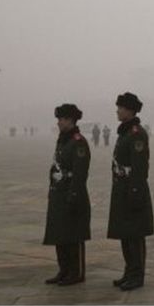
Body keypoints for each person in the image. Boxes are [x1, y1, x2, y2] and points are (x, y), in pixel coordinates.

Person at [108, 91, 154, 291]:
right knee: (126, 234)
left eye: (120, 108)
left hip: (132, 190)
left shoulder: (136, 134)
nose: (117, 111)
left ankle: (137, 275)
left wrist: (135, 191)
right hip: (122, 189)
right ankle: (129, 271)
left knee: (135, 235)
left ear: (130, 110)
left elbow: (140, 166)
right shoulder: (125, 132)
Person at [43, 103, 91, 286]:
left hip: (71, 194)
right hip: (59, 194)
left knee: (73, 236)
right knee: (60, 235)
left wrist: (74, 195)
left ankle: (76, 272)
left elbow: (80, 174)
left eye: (61, 119)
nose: (58, 123)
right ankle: (63, 270)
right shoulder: (64, 140)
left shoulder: (78, 142)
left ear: (70, 120)